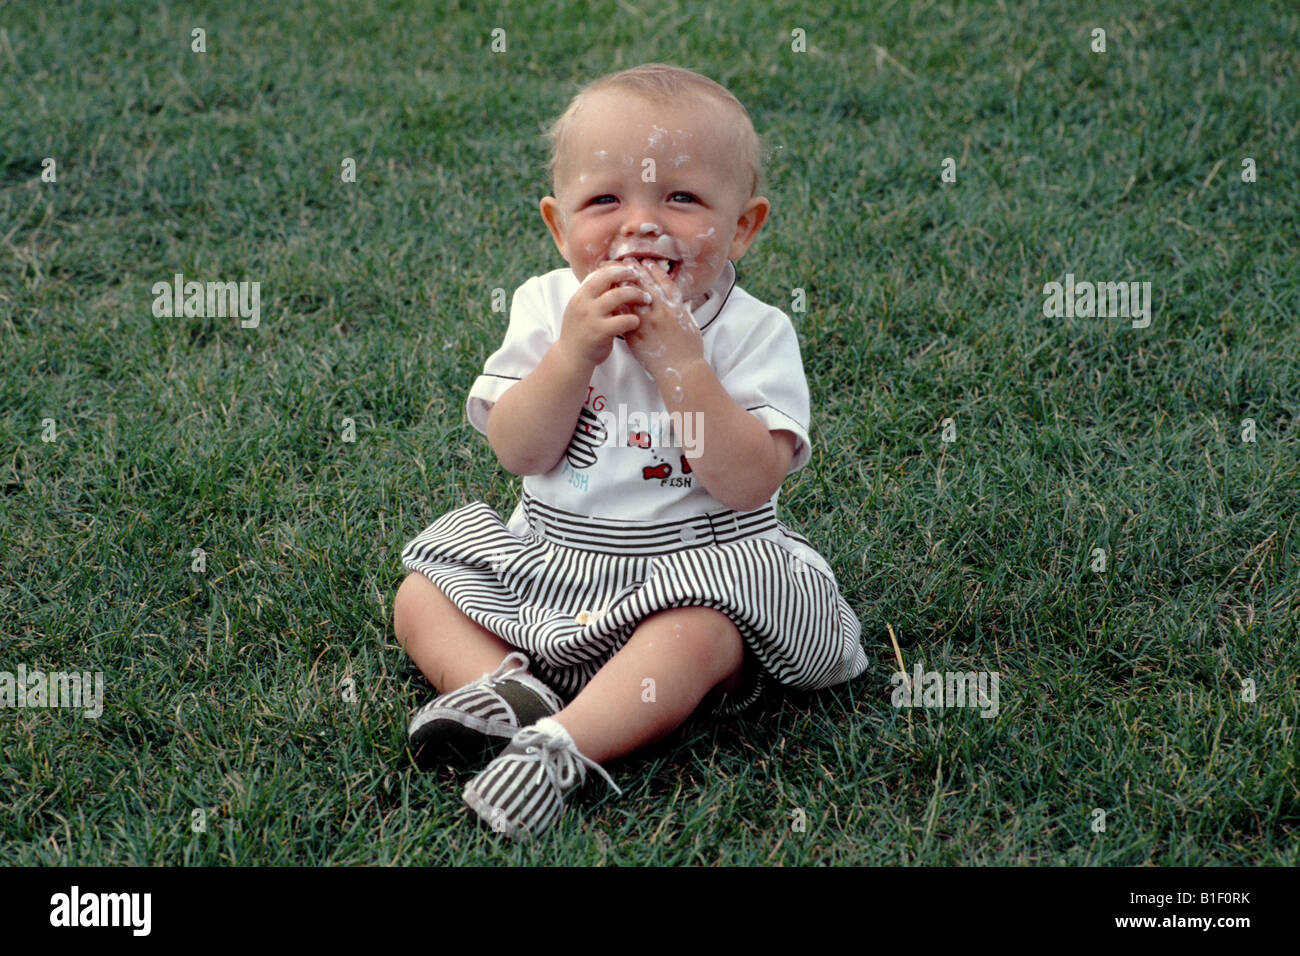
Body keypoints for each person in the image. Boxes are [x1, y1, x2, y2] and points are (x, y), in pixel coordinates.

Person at [392, 63, 868, 839]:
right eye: (605, 200)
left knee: (699, 635)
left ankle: (560, 748)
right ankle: (506, 691)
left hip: (699, 574)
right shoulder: (547, 308)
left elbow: (749, 481)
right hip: (553, 566)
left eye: (680, 198)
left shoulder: (753, 332)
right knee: (422, 592)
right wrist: (571, 356)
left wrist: (682, 365)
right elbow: (518, 449)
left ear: (743, 225)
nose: (640, 225)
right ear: (557, 224)